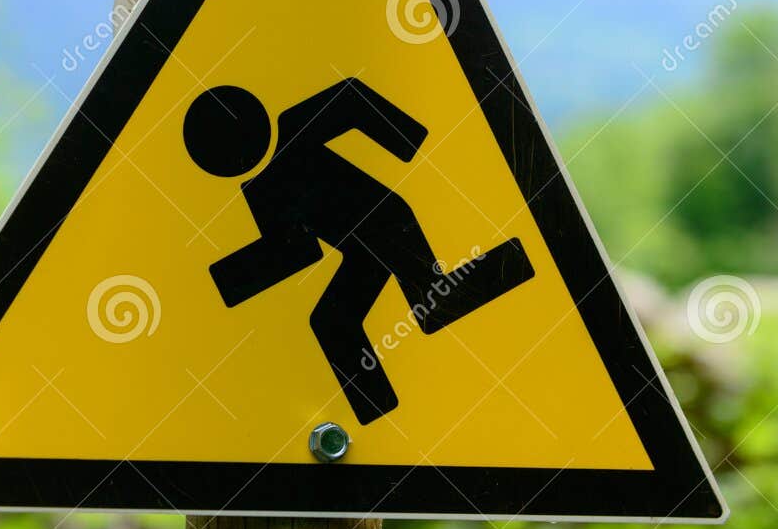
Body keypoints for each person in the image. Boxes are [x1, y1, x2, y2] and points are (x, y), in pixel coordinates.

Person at [184, 79, 535, 424]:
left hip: (387, 225)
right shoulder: (259, 189)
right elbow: (298, 252)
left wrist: (406, 137)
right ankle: (381, 419)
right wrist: (223, 282)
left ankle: (516, 263)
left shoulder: (293, 126)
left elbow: (350, 100)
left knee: (432, 306)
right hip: (360, 253)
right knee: (332, 322)